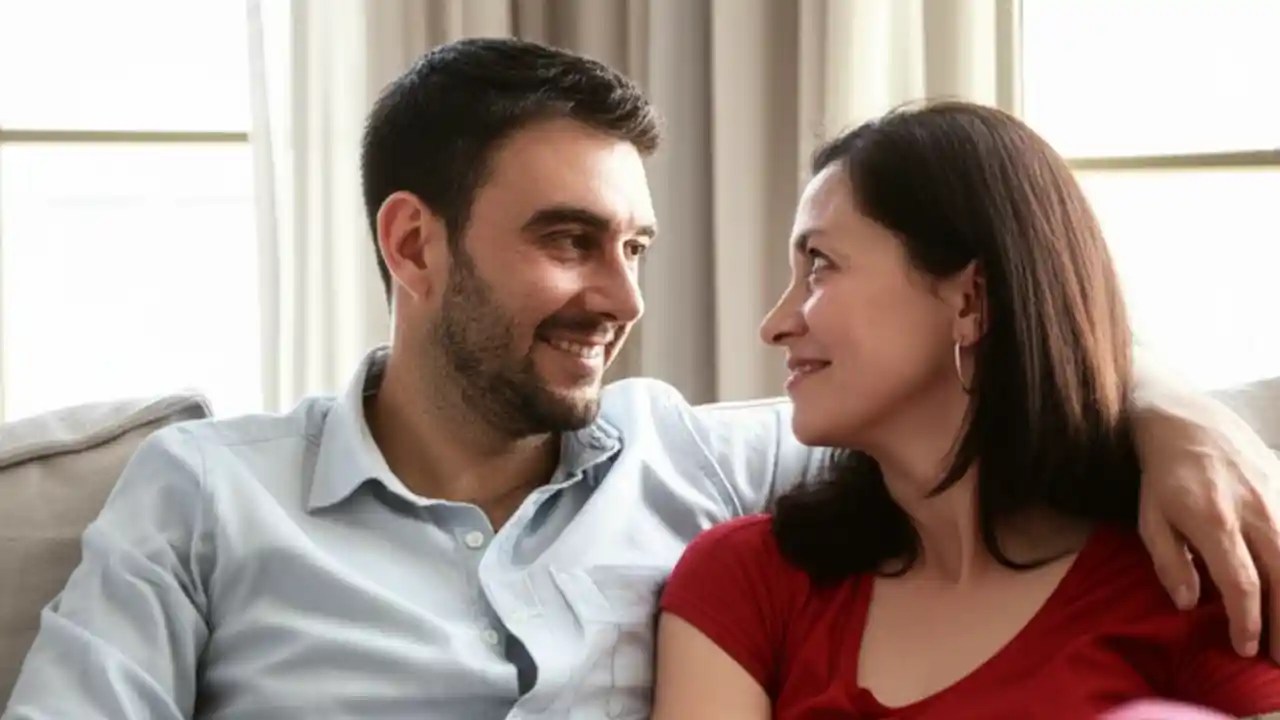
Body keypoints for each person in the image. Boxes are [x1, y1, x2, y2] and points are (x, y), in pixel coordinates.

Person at [2, 39, 1278, 720]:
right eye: (567, 242)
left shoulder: (708, 464)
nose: (621, 299)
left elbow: (994, 381)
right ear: (413, 244)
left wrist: (1176, 419)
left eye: (634, 247)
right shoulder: (206, 497)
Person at [652, 102, 1280, 719]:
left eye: (819, 266)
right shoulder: (748, 578)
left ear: (969, 301)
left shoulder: (1182, 584)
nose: (774, 325)